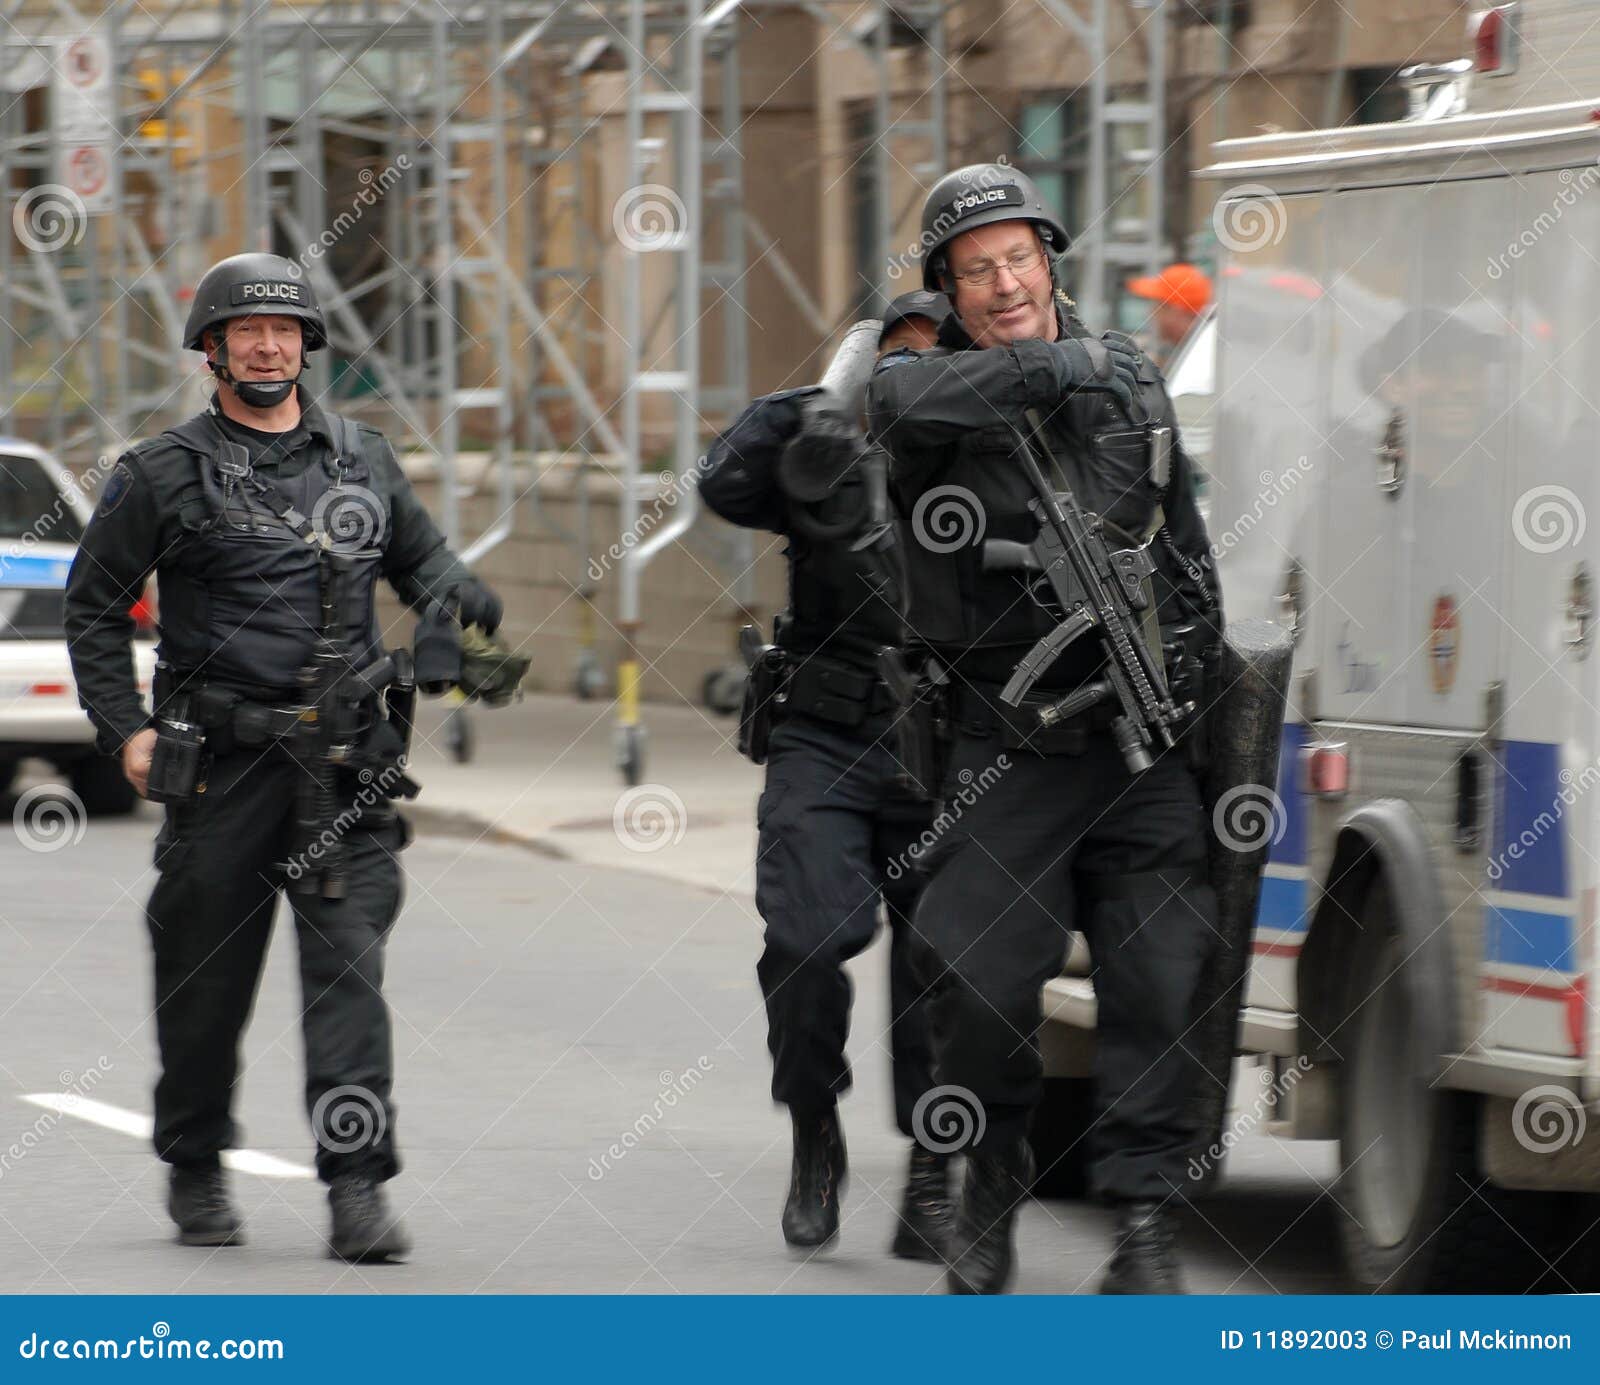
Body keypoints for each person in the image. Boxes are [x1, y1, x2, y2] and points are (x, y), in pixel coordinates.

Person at [63, 252, 504, 1263]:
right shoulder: (160, 470)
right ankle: (195, 1160)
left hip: (343, 770)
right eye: (247, 332)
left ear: (308, 346)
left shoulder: (362, 458)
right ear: (212, 350)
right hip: (219, 769)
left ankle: (356, 1184)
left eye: (285, 331)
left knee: (348, 977)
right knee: (203, 985)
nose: (268, 347)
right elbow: (92, 607)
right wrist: (125, 728)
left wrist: (456, 604)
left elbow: (424, 559)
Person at [866, 166, 1224, 1294]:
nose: (1004, 283)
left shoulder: (1132, 380)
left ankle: (1144, 1221)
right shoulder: (921, 393)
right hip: (1006, 748)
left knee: (1162, 982)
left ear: (1049, 261)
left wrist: (1211, 714)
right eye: (976, 271)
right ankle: (990, 1173)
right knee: (978, 984)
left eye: (1018, 258)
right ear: (949, 291)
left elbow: (1187, 548)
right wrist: (1059, 366)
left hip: (1139, 742)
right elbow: (895, 407)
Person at [697, 292, 953, 1260]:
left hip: (952, 743)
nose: (912, 377)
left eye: (935, 359)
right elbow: (722, 482)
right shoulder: (825, 447)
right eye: (896, 359)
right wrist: (821, 401)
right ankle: (815, 1127)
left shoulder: (989, 448)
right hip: (828, 733)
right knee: (803, 943)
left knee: (949, 965)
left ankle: (934, 1169)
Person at [1126, 263, 1211, 365]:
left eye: (1159, 306)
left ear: (1176, 311)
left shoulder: (1200, 362)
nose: (1151, 313)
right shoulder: (1191, 351)